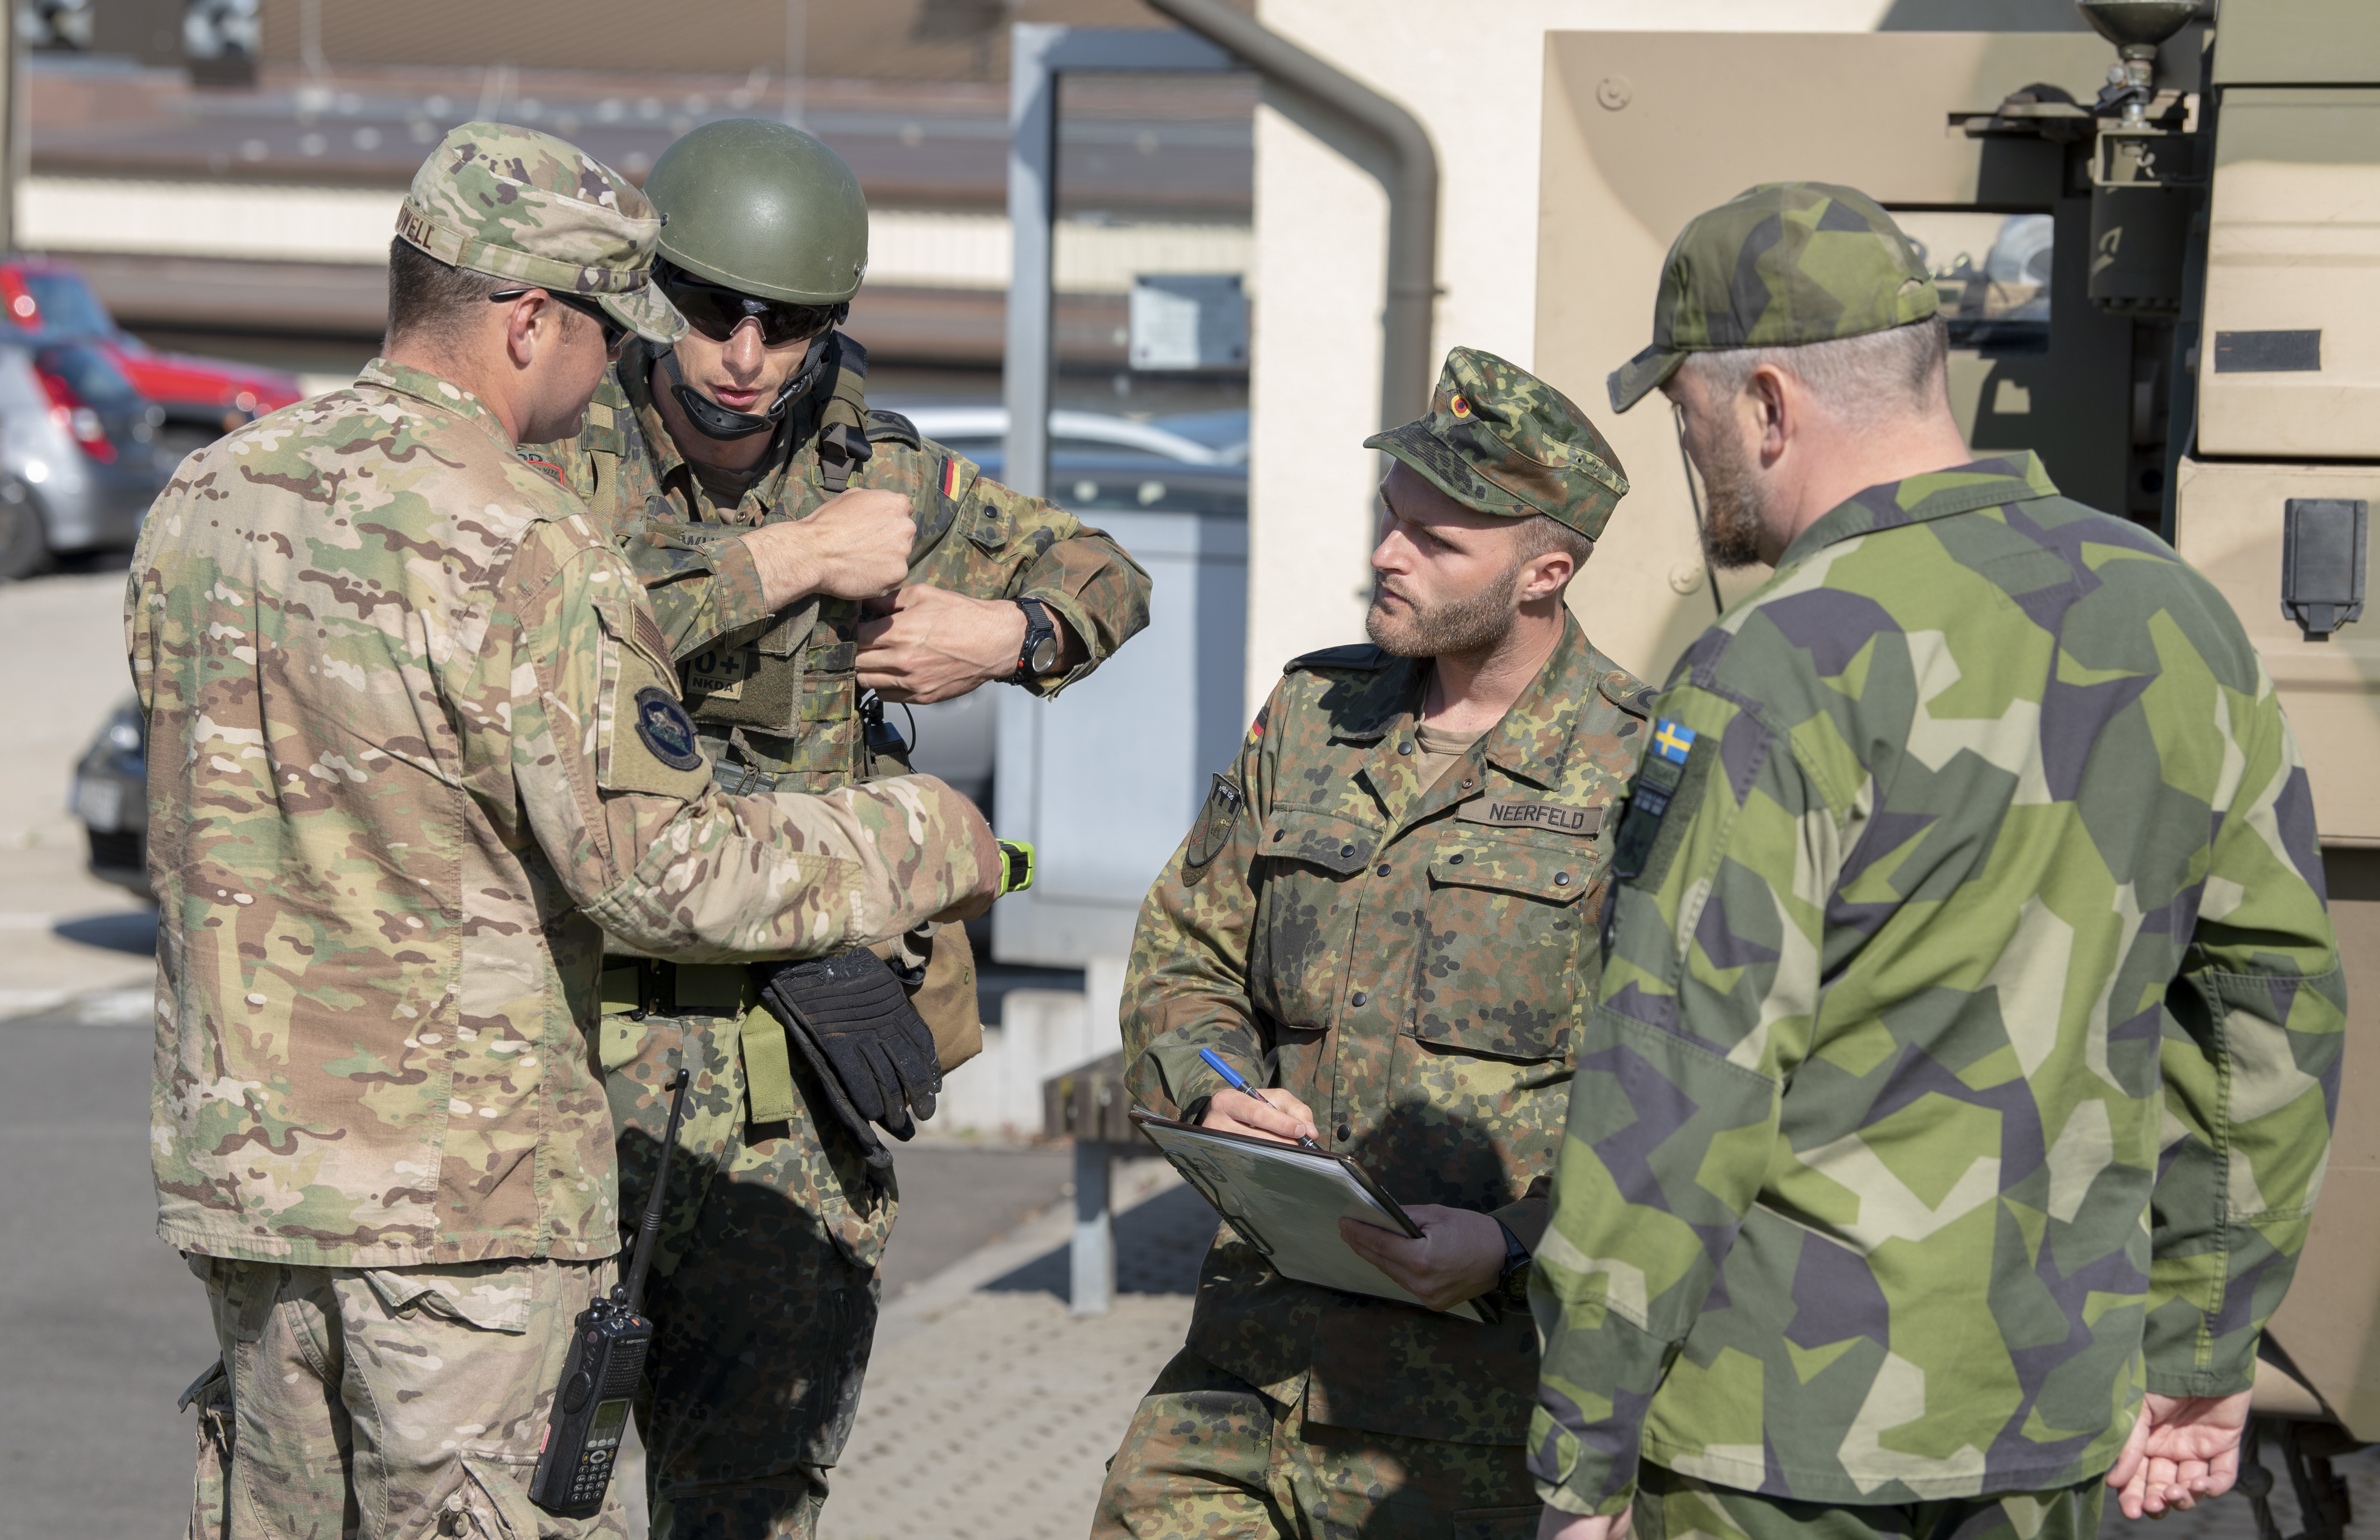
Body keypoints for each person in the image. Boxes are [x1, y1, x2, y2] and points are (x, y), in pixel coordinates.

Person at [133, 122, 1007, 1540]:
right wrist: (918, 834)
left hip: (247, 1180)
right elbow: (662, 873)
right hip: (459, 1213)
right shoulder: (522, 538)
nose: (620, 368)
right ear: (533, 320)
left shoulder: (211, 496)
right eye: (612, 331)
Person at [1530, 181, 2346, 1540]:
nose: (1698, 466)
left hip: (1771, 1452)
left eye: (1689, 424)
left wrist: (1582, 1456)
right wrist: (2203, 1354)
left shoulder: (1772, 664)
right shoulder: (2181, 616)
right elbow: (2272, 1013)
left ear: (1768, 406)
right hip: (2052, 1420)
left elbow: (1674, 1078)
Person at [528, 116, 1152, 1539]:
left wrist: (1002, 630)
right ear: (650, 297)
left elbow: (1110, 578)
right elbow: (553, 633)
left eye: (787, 319)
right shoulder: (563, 454)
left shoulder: (880, 466)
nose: (744, 351)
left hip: (789, 1089)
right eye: (710, 309)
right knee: (511, 1488)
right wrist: (797, 561)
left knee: (752, 1493)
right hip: (564, 1069)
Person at [1095, 348, 1645, 1540]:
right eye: (1390, 520)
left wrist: (1514, 1239)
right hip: (1246, 1371)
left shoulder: (1633, 775)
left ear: (1545, 570)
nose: (1388, 557)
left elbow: (1677, 1088)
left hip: (1477, 1411)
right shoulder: (1312, 714)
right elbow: (1186, 953)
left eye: (1437, 543)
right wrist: (1216, 1086)